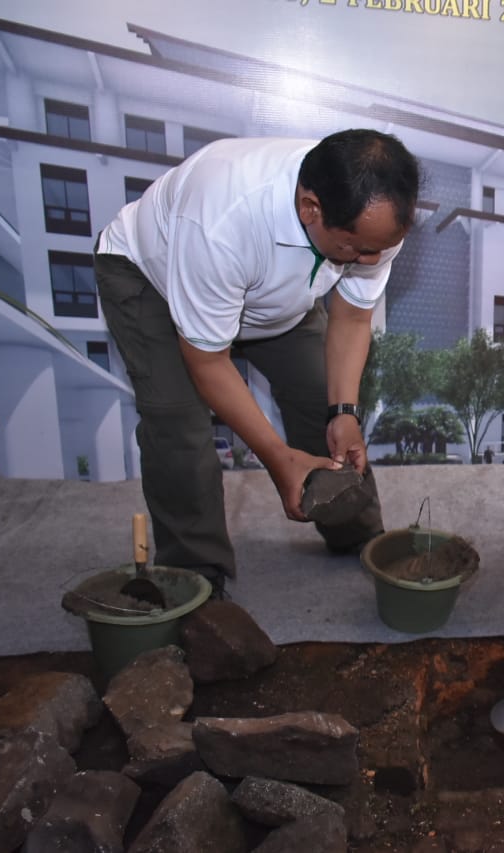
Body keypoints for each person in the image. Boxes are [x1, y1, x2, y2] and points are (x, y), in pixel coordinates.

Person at [94, 129, 422, 592]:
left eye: (379, 249)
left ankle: (358, 534)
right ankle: (197, 576)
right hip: (155, 279)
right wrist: (278, 458)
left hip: (268, 295)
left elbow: (350, 318)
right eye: (357, 249)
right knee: (179, 425)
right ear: (311, 208)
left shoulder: (374, 224)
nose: (370, 259)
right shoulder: (222, 218)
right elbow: (208, 362)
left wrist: (343, 412)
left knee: (319, 394)